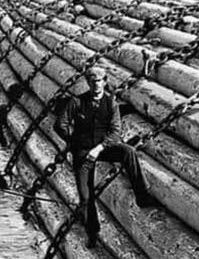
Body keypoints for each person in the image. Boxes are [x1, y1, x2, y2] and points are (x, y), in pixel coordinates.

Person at [54, 64, 156, 248]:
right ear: (88, 83)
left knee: (128, 151)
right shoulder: (76, 102)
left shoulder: (111, 104)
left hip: (103, 148)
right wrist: (74, 142)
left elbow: (115, 132)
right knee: (86, 197)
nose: (96, 85)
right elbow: (60, 124)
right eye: (92, 82)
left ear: (105, 82)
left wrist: (99, 148)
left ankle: (142, 195)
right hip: (83, 152)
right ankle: (92, 233)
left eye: (99, 81)